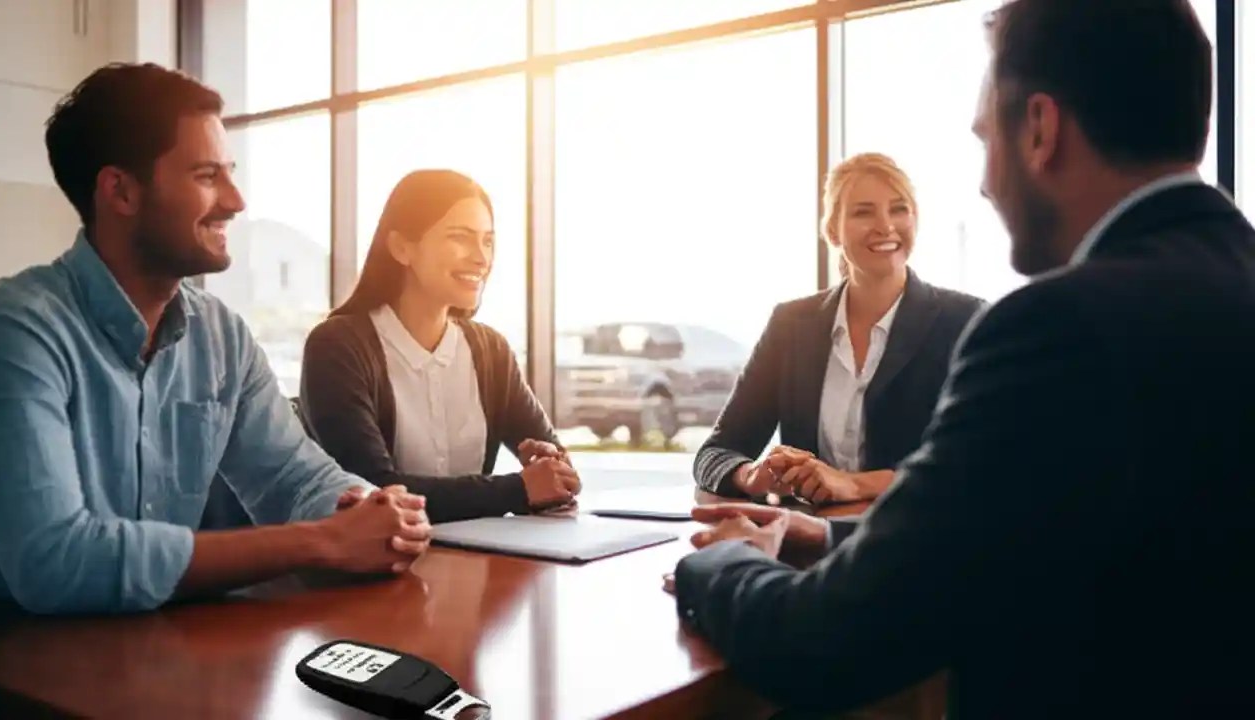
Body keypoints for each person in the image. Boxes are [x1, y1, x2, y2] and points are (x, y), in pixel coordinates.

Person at [671, 1, 1255, 717]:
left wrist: (721, 559)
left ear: (1039, 129)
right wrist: (824, 531)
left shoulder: (1055, 329)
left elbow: (826, 643)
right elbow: (1014, 524)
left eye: (986, 139)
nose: (984, 182)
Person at [0, 63, 432, 616]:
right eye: (206, 175)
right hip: (17, 677)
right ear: (120, 191)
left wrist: (370, 509)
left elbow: (293, 477)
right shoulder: (13, 331)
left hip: (165, 657)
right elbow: (55, 561)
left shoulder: (222, 337)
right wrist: (321, 541)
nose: (236, 201)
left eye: (229, 173)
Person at [695, 153, 984, 507]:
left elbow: (977, 459)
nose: (885, 226)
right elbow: (715, 453)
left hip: (916, 542)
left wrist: (854, 484)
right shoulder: (791, 325)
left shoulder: (965, 321)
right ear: (832, 230)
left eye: (898, 209)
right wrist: (752, 475)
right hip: (806, 540)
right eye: (864, 212)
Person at [299, 170, 580, 524]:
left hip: (479, 563)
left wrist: (553, 469)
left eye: (488, 241)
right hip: (375, 568)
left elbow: (563, 478)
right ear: (402, 247)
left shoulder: (491, 350)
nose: (481, 258)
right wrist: (518, 490)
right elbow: (374, 492)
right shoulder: (337, 346)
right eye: (460, 238)